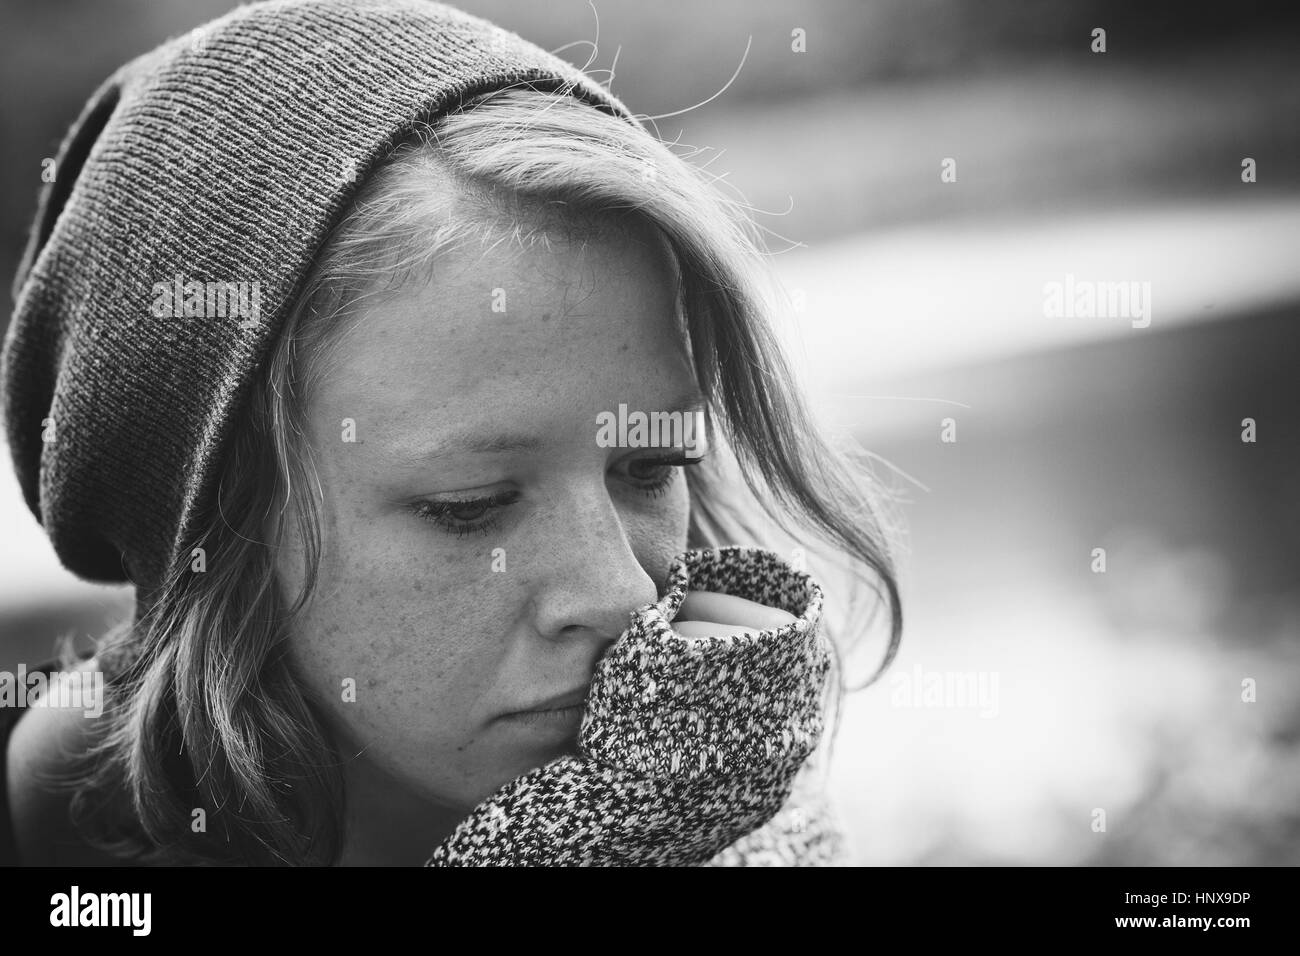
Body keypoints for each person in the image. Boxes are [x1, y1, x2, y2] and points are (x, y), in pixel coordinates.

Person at [0, 0, 901, 866]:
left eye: (650, 465)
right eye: (470, 507)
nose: (624, 595)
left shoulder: (723, 806)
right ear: (213, 524)